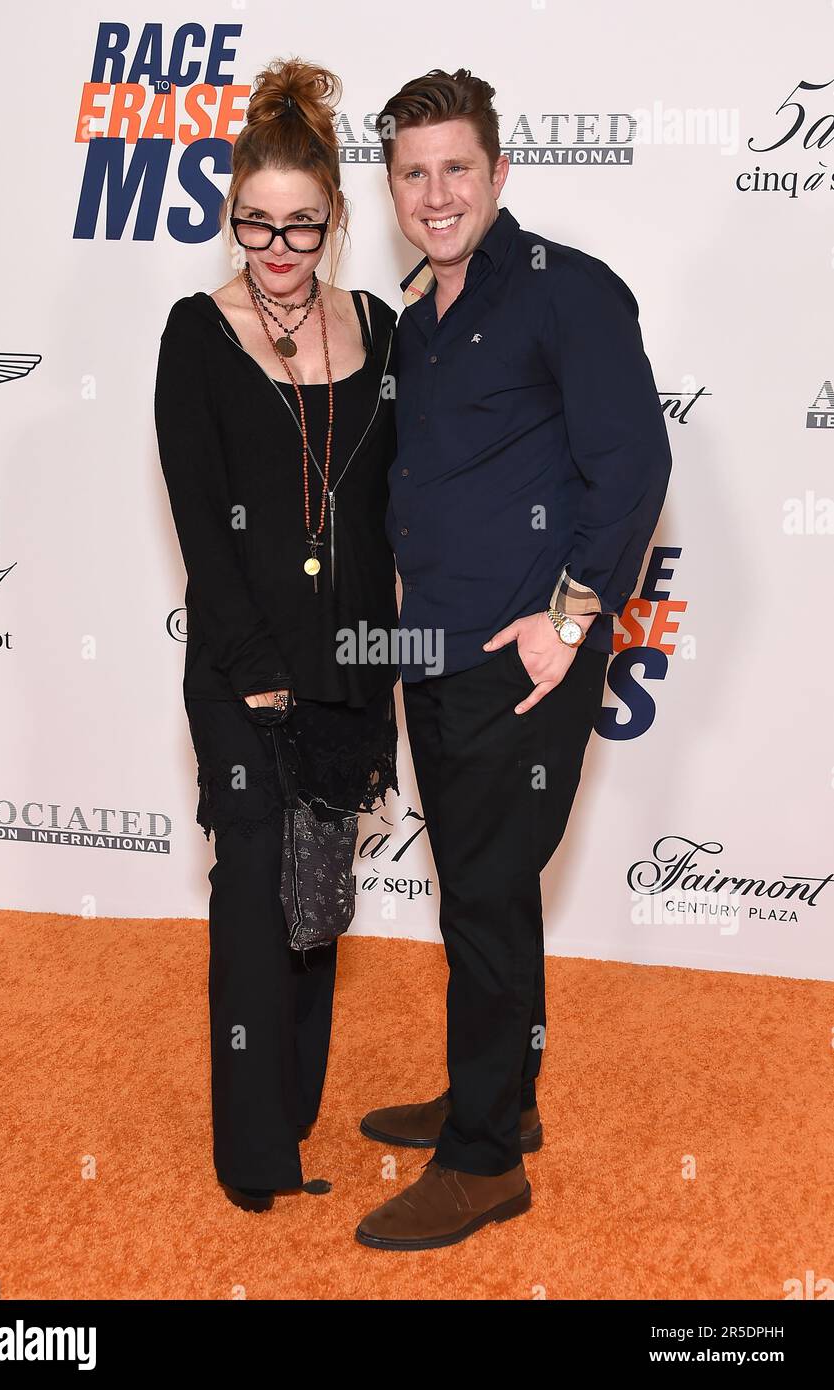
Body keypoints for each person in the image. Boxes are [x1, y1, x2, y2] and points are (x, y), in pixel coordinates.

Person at [355, 68, 672, 1251]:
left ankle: (482, 1162)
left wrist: (569, 614)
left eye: (457, 169)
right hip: (432, 654)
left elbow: (632, 464)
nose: (437, 194)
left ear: (499, 172)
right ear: (392, 187)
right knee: (480, 899)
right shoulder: (417, 320)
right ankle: (500, 1095)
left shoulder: (568, 294)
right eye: (413, 173)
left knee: (486, 896)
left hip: (520, 663)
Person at [154, 57, 399, 1212]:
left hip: (347, 671)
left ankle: (297, 1108)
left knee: (315, 902)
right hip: (243, 676)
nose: (279, 248)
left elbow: (403, 510)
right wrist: (256, 675)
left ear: (337, 218)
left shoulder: (385, 336)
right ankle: (253, 1158)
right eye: (257, 224)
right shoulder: (195, 334)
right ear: (231, 214)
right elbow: (203, 520)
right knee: (251, 890)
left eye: (303, 226)